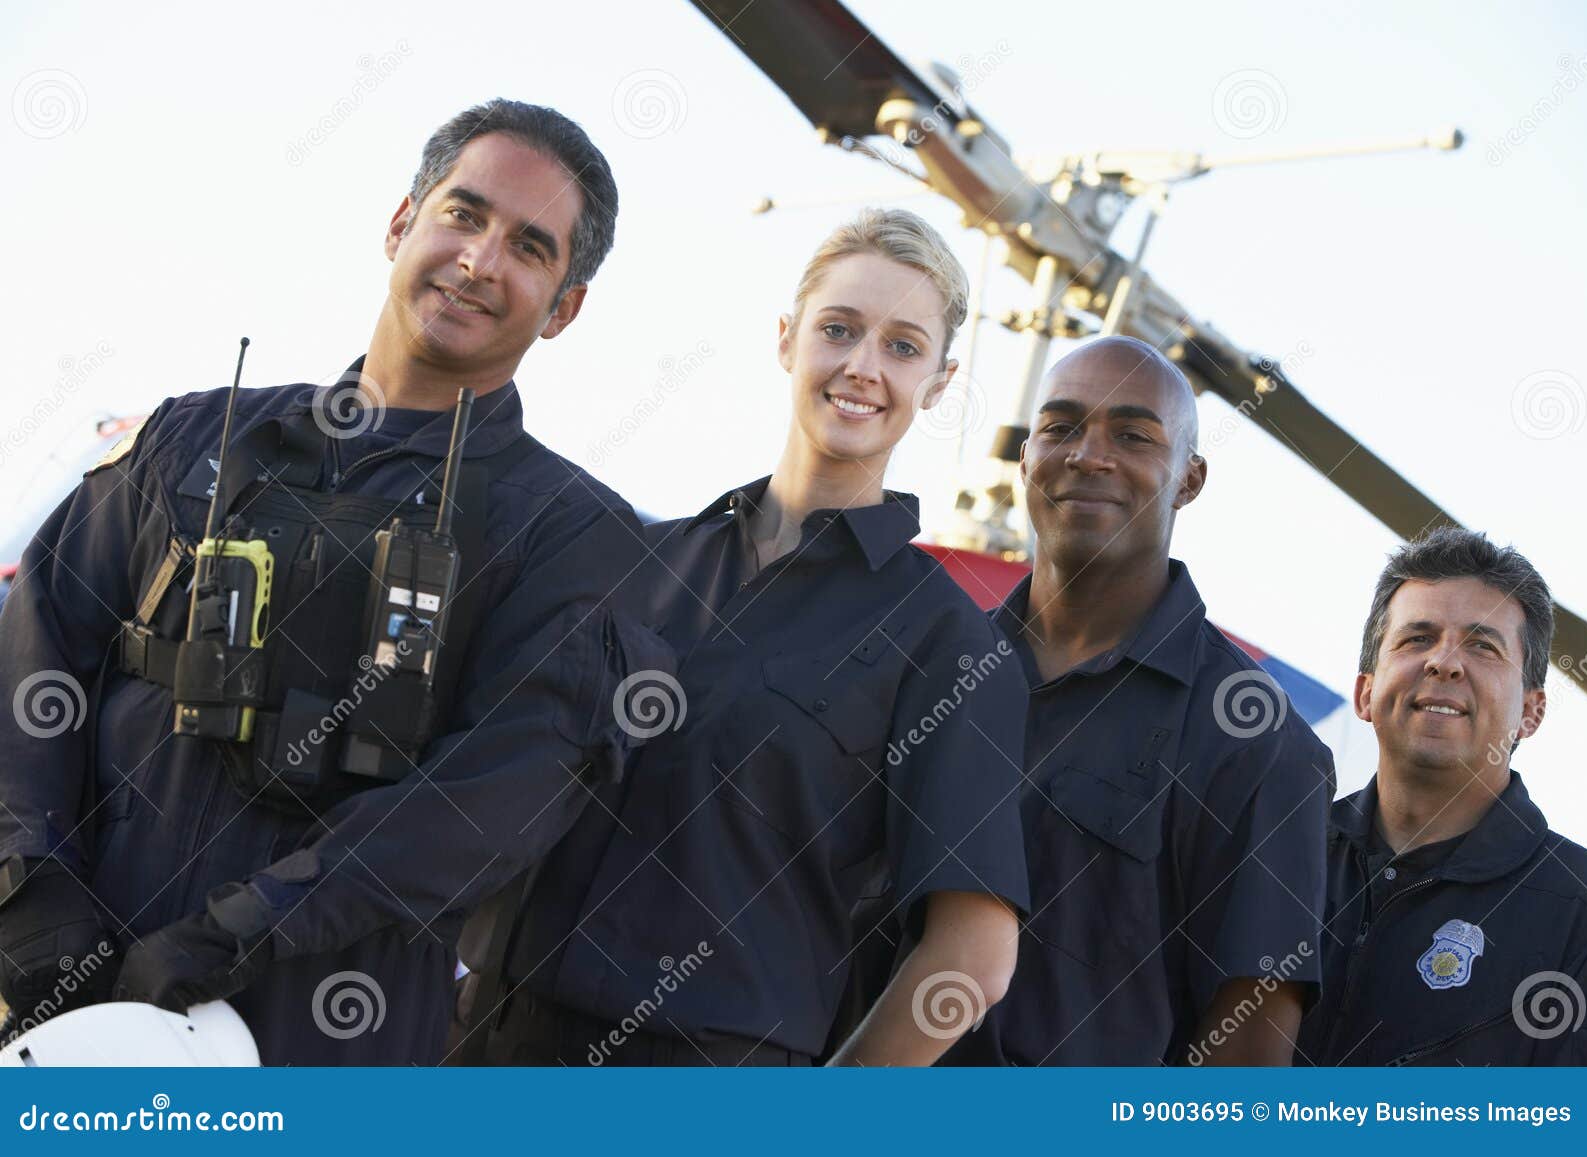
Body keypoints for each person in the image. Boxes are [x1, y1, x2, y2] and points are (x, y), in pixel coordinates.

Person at [0, 98, 671, 1064]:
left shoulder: (573, 537)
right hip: (72, 1006)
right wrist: (31, 888)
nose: (480, 261)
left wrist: (256, 924)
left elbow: (499, 793)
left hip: (329, 1032)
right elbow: (38, 648)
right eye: (463, 215)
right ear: (401, 224)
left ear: (563, 307)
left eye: (530, 247)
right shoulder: (192, 438)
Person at [455, 208, 1031, 1067]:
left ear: (940, 382)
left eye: (904, 347)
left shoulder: (947, 642)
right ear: (787, 339)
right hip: (484, 1045)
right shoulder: (642, 560)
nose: (863, 366)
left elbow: (972, 960)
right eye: (839, 329)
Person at [941, 336, 1334, 1066]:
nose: (1089, 454)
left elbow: (1245, 1058)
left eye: (1132, 435)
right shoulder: (933, 673)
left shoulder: (1259, 742)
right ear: (1025, 458)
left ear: (1189, 477)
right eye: (1059, 427)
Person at [1297, 529, 1587, 1065]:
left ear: (1531, 712)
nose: (1444, 663)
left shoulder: (1586, 914)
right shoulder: (1271, 856)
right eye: (1417, 638)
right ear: (1366, 692)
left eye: (1483, 646)